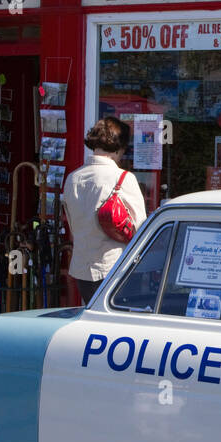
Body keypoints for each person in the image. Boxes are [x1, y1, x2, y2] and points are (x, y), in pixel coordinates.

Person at [63, 117, 146, 305]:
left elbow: (73, 224)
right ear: (119, 147)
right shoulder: (124, 178)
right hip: (115, 268)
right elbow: (141, 228)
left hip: (82, 269)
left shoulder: (72, 179)